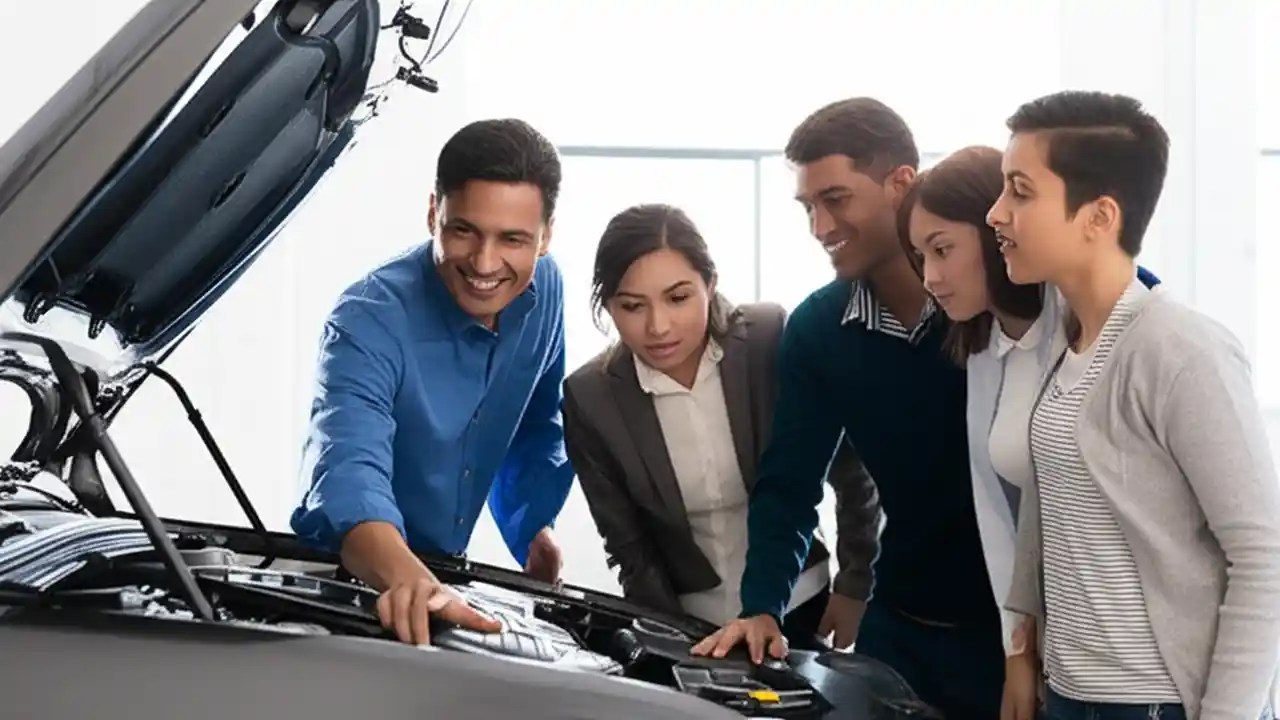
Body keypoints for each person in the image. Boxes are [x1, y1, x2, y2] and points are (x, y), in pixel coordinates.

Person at [692, 98, 1006, 720]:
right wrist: (762, 606)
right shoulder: (818, 329)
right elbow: (789, 483)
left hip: (1017, 635)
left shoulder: (1003, 302)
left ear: (901, 184)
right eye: (809, 206)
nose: (820, 225)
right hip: (901, 630)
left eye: (836, 198)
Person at [989, 90, 1280, 720]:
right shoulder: (1068, 339)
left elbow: (1264, 556)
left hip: (1154, 704)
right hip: (1069, 695)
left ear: (1098, 217)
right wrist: (1025, 647)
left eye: (1020, 191)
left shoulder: (1182, 350)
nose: (996, 213)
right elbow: (1052, 521)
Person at [898, 145, 1161, 720]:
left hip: (1145, 661)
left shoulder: (1098, 326)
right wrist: (1017, 652)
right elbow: (1003, 520)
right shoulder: (984, 350)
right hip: (1067, 658)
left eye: (942, 251)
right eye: (920, 257)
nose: (930, 278)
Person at [290, 118, 576, 646]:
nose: (485, 263)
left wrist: (533, 529)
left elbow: (537, 419)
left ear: (545, 238)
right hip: (361, 589)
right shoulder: (367, 318)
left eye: (512, 239)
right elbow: (348, 471)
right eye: (464, 230)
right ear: (432, 213)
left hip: (448, 577)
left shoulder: (546, 289)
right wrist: (407, 578)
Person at [562, 203, 883, 651]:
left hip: (801, 600)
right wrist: (665, 642)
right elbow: (630, 548)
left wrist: (856, 582)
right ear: (608, 306)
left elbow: (851, 470)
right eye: (632, 306)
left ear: (710, 285)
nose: (658, 326)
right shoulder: (590, 398)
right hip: (689, 625)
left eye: (678, 298)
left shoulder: (769, 338)